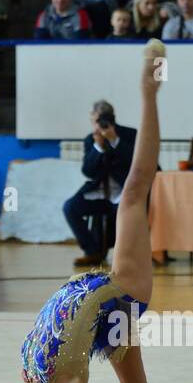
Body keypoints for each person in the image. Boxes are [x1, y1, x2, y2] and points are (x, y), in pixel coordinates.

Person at [0, 42, 166, 383]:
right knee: (134, 191)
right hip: (123, 292)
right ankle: (148, 92)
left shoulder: (30, 370)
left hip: (104, 322)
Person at [64, 100, 136, 267]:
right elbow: (88, 171)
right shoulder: (91, 140)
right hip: (99, 192)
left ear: (112, 119)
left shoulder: (129, 135)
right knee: (70, 207)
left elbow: (135, 164)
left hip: (124, 192)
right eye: (95, 121)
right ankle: (92, 251)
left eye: (101, 120)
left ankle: (125, 255)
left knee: (126, 217)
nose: (98, 125)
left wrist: (114, 141)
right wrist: (98, 147)